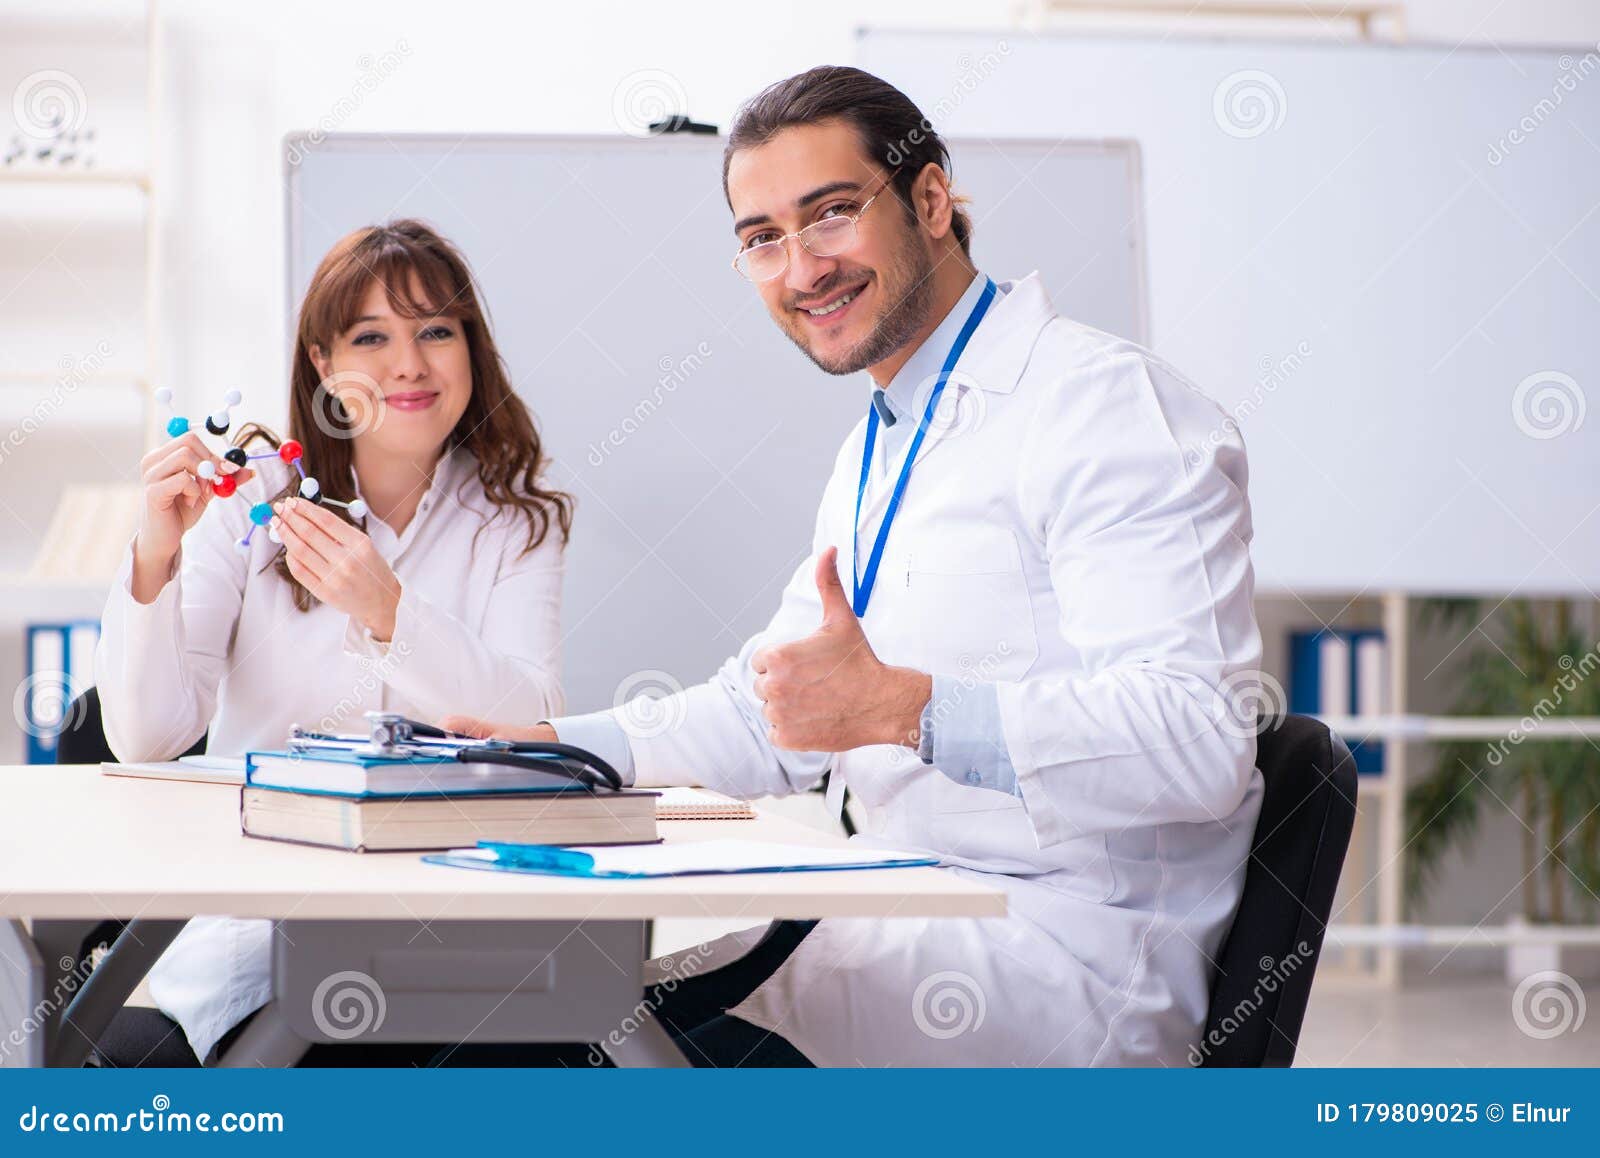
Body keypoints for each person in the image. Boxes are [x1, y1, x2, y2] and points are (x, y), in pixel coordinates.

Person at [445, 66, 1266, 1068]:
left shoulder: (1103, 408)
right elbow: (774, 708)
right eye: (761, 239)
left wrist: (905, 709)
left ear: (929, 200)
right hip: (908, 913)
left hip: (1058, 975)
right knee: (536, 1001)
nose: (801, 269)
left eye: (831, 213)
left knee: (557, 1032)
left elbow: (1198, 739)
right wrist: (544, 752)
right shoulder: (883, 439)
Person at [92, 219, 572, 1066]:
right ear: (322, 364)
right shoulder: (251, 503)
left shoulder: (518, 520)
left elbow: (529, 724)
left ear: (471, 347)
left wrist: (390, 613)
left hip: (453, 933)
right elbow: (147, 736)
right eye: (371, 338)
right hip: (262, 930)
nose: (409, 366)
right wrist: (155, 553)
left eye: (435, 332)